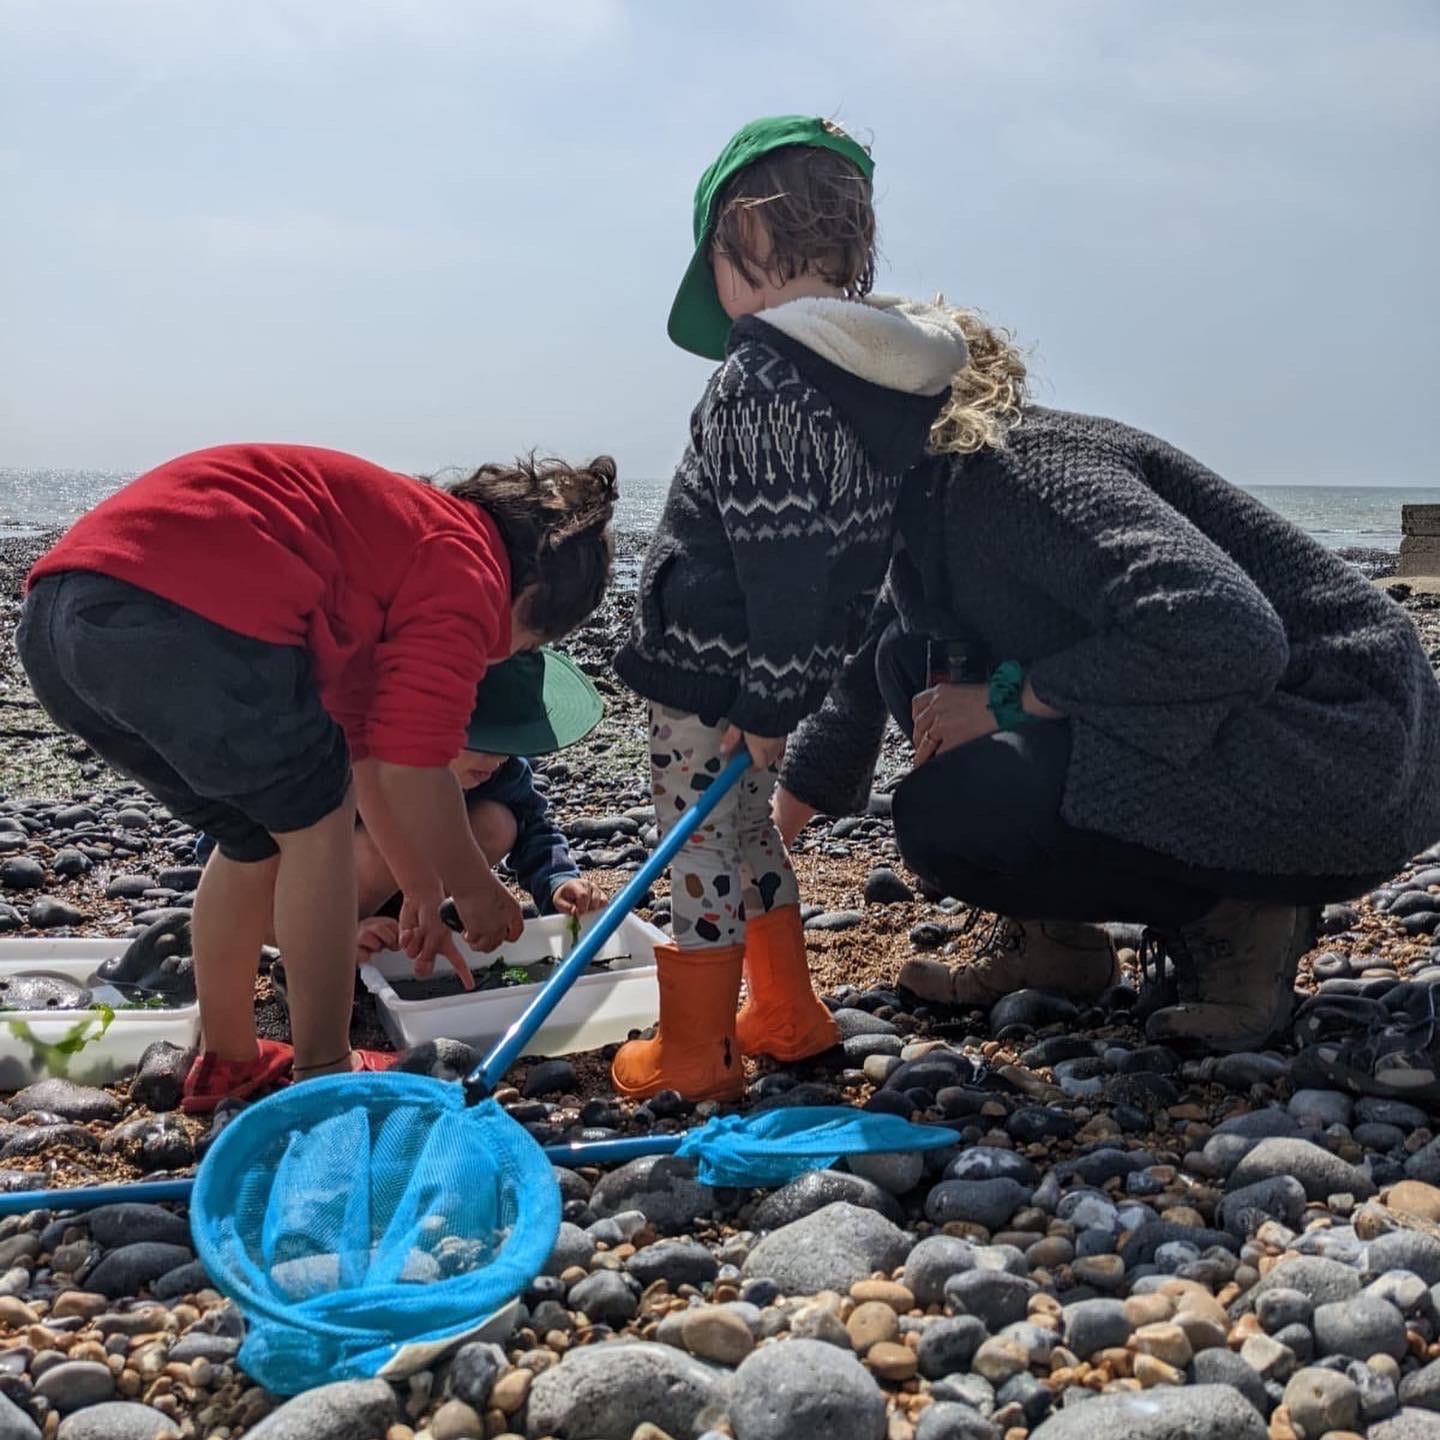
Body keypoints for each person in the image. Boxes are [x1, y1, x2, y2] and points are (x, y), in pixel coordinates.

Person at [775, 308, 1440, 1055]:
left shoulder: (1017, 472)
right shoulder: (922, 507)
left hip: (1343, 744)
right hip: (1256, 715)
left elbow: (1228, 630)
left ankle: (1244, 910)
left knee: (945, 813)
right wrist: (756, 859)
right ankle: (1060, 946)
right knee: (911, 659)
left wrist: (1004, 701)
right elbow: (861, 684)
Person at [17, 444, 616, 1108]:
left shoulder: (395, 552)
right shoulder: (467, 568)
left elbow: (370, 762)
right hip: (178, 617)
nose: (493, 658)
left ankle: (227, 1058)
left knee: (253, 838)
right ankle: (325, 1069)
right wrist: (474, 889)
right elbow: (416, 769)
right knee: (317, 830)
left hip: (59, 621)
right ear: (528, 594)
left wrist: (421, 889)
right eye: (522, 646)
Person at [611, 115, 971, 1100]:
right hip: (774, 674)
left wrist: (764, 705)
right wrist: (790, 691)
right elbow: (840, 564)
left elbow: (780, 556)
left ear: (749, 238)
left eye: (717, 263)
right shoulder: (874, 382)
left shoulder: (762, 376)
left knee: (696, 851)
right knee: (751, 834)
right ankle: (785, 1010)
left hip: (715, 677)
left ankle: (694, 1054)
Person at [352, 647, 608, 966]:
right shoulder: (372, 766)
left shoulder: (501, 769)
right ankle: (336, 941)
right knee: (379, 845)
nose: (498, 759)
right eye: (485, 744)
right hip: (320, 895)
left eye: (509, 747)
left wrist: (557, 880)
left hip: (414, 896)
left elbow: (534, 825)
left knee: (499, 822)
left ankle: (410, 927)